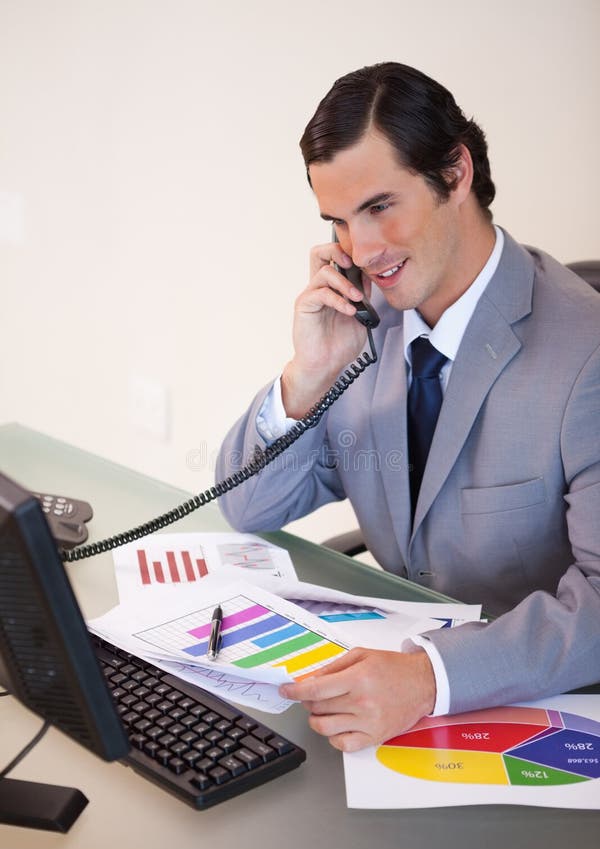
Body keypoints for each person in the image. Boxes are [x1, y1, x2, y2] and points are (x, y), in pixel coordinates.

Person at [215, 62, 600, 752]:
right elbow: (250, 508)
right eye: (338, 221)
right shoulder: (365, 328)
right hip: (387, 715)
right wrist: (307, 376)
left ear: (454, 173)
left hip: (537, 716)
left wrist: (428, 679)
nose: (362, 251)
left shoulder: (586, 355)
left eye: (379, 206)